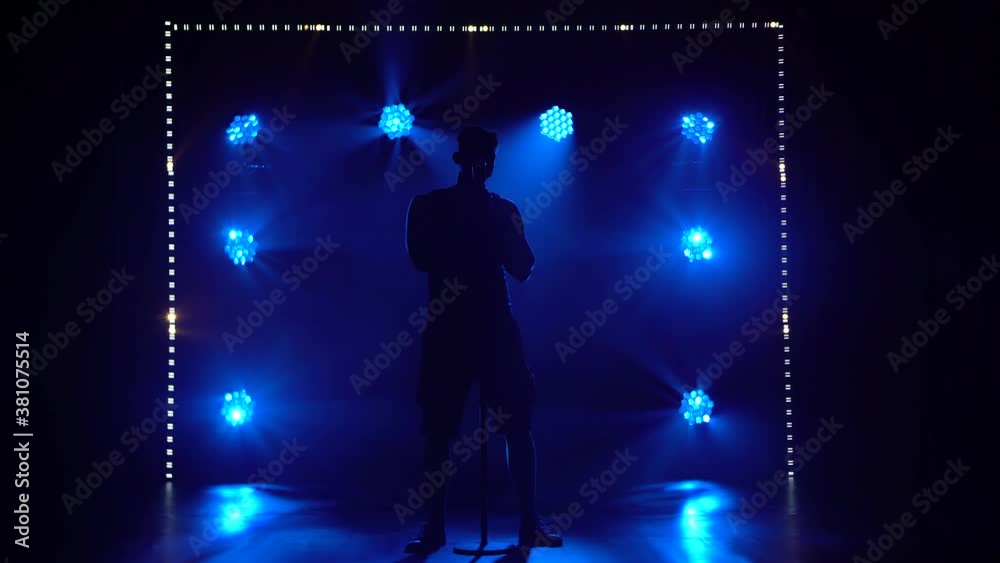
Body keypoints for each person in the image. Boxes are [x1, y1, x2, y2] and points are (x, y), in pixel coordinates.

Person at [403, 127, 563, 554]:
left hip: (495, 329)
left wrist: (503, 227)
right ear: (463, 159)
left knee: (517, 425)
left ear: (493, 163)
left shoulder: (503, 209)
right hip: (448, 328)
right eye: (479, 156)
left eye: (489, 157)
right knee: (439, 431)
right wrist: (465, 226)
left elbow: (524, 267)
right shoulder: (428, 205)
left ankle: (530, 522)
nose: (484, 164)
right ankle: (433, 526)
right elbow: (419, 258)